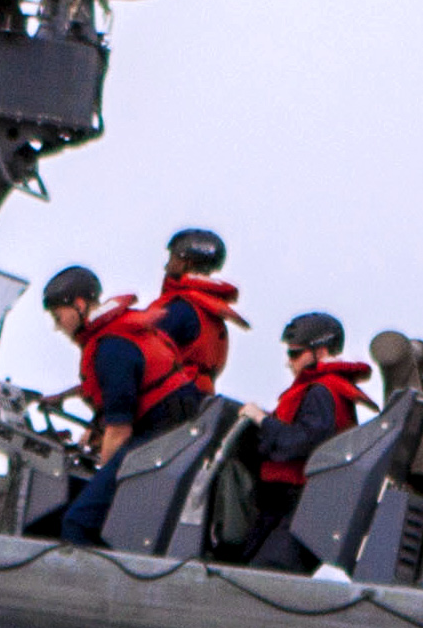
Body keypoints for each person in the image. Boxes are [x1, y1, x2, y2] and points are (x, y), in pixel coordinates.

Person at [45, 266, 211, 549]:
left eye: (58, 316)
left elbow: (119, 430)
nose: (57, 326)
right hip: (175, 433)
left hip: (159, 438)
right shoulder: (123, 332)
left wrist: (104, 473)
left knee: (78, 522)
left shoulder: (110, 347)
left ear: (79, 305)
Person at [238, 311, 371, 564]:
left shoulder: (320, 391)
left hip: (299, 507)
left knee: (266, 572)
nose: (289, 362)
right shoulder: (327, 389)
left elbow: (304, 442)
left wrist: (262, 420)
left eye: (295, 353)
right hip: (289, 507)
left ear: (320, 352)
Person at [153, 228, 247, 386]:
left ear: (185, 263)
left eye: (172, 258)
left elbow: (143, 354)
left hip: (172, 394)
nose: (166, 266)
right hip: (199, 394)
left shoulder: (181, 310)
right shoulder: (209, 311)